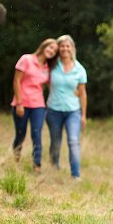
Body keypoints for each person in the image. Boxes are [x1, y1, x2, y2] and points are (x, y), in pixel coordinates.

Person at [11, 38, 58, 172]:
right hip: (21, 104)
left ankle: (37, 165)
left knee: (37, 134)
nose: (51, 51)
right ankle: (15, 161)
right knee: (20, 134)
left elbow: (51, 86)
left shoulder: (47, 68)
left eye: (54, 51)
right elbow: (16, 81)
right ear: (43, 46)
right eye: (50, 47)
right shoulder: (26, 59)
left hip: (38, 105)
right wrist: (19, 103)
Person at [46, 34, 88, 180]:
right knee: (55, 141)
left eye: (67, 46)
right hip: (53, 111)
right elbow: (43, 79)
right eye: (62, 46)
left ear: (72, 48)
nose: (64, 48)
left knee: (73, 141)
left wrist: (83, 115)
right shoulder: (52, 66)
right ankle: (54, 167)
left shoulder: (80, 69)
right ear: (59, 48)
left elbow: (82, 94)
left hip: (73, 112)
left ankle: (75, 175)